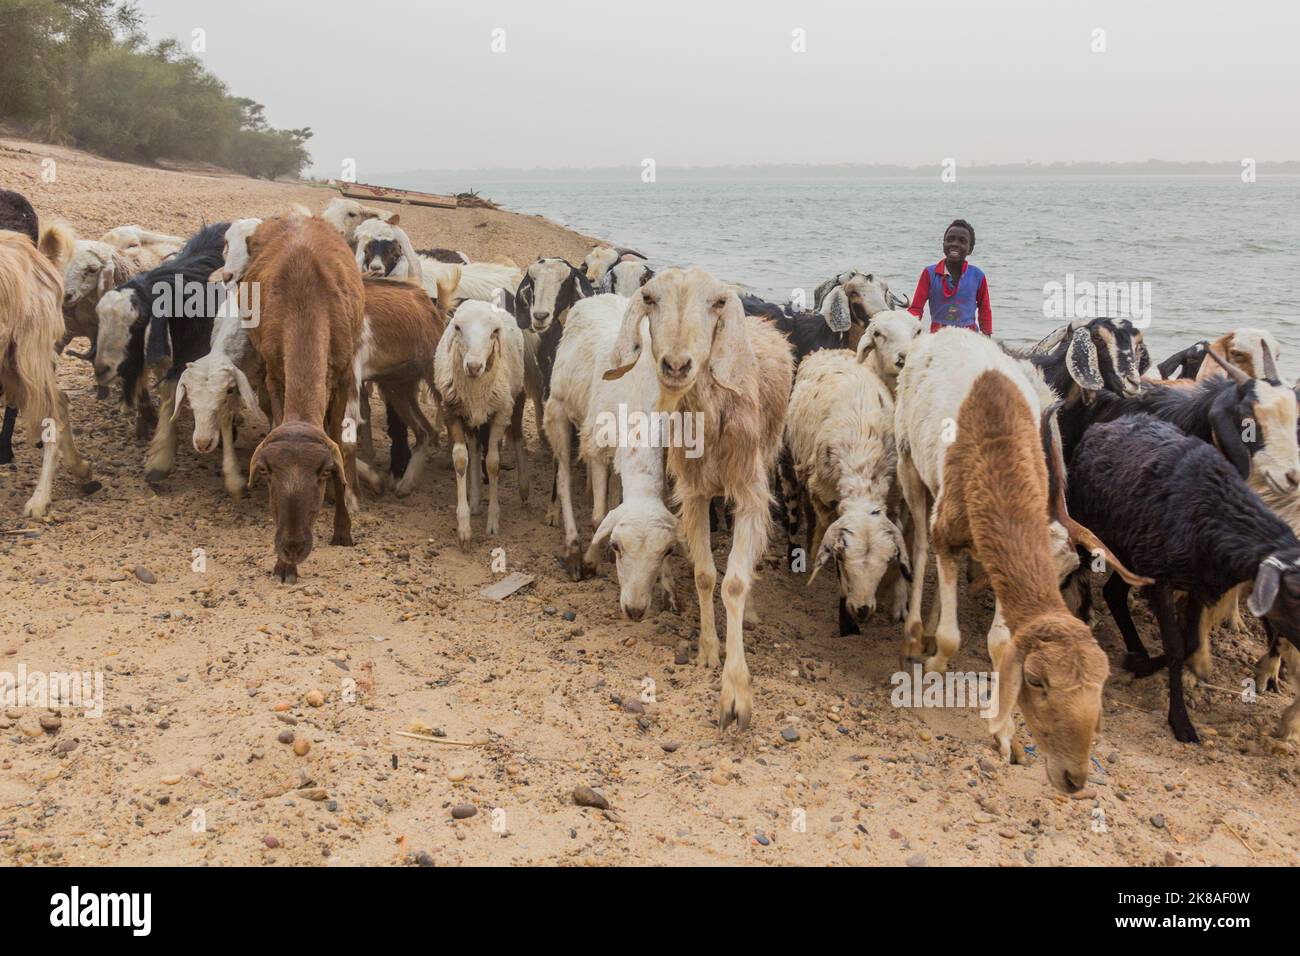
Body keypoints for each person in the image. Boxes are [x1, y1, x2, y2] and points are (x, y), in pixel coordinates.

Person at [907, 219, 991, 335]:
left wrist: (987, 336)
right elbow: (916, 308)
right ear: (943, 244)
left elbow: (985, 309)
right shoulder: (929, 274)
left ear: (970, 249)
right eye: (950, 240)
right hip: (938, 337)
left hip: (970, 339)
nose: (955, 244)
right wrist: (907, 329)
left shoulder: (977, 276)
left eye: (962, 241)